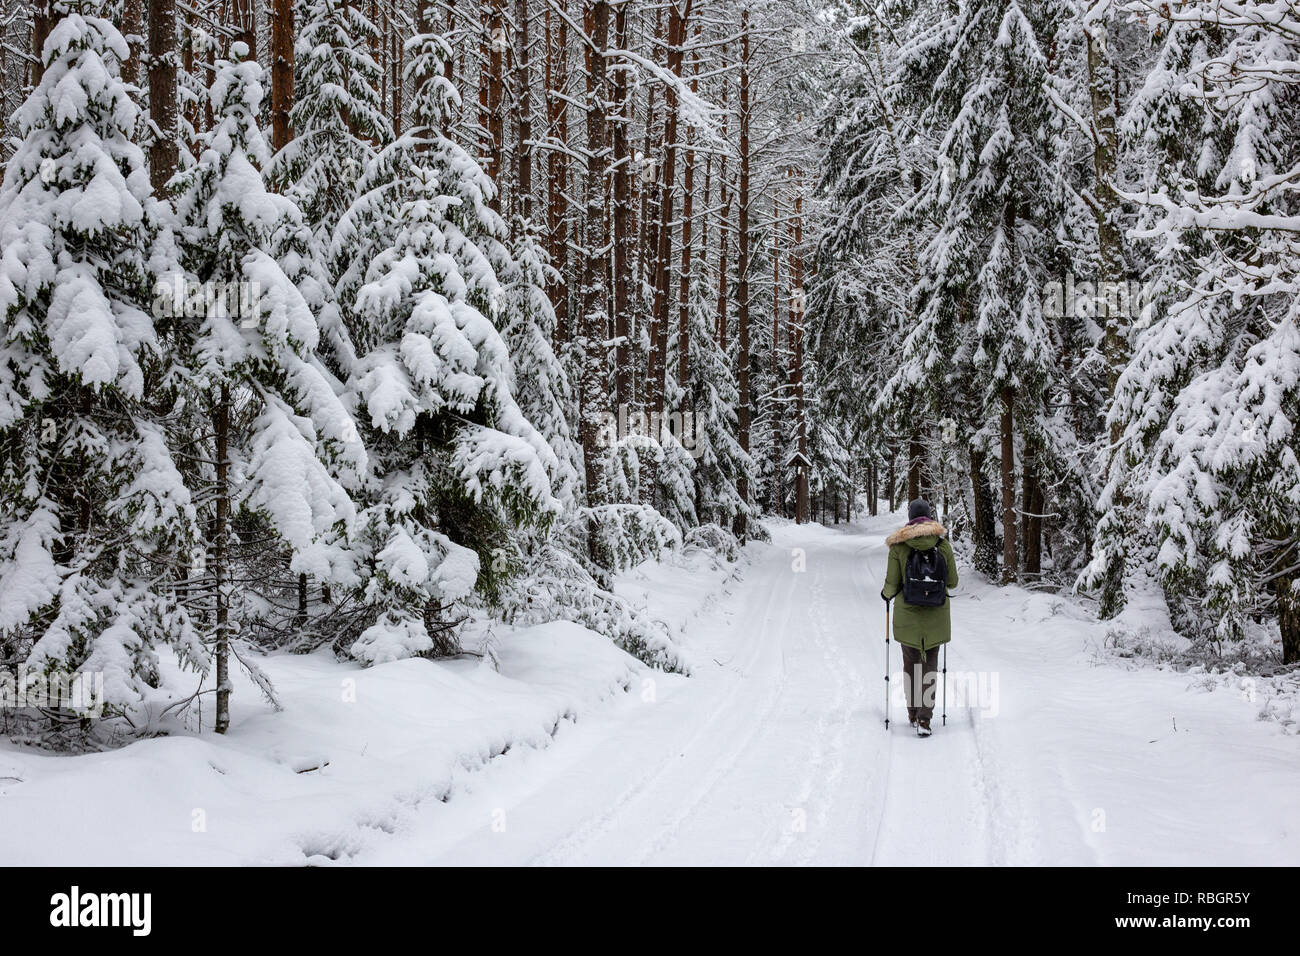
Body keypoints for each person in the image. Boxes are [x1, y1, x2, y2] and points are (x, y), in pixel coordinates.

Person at [881, 498, 958, 736]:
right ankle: (925, 719)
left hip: (908, 615)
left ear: (910, 518)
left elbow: (892, 585)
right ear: (930, 517)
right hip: (936, 614)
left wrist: (885, 596)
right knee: (930, 668)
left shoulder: (899, 546)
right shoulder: (942, 546)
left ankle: (913, 714)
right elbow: (953, 582)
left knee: (911, 666)